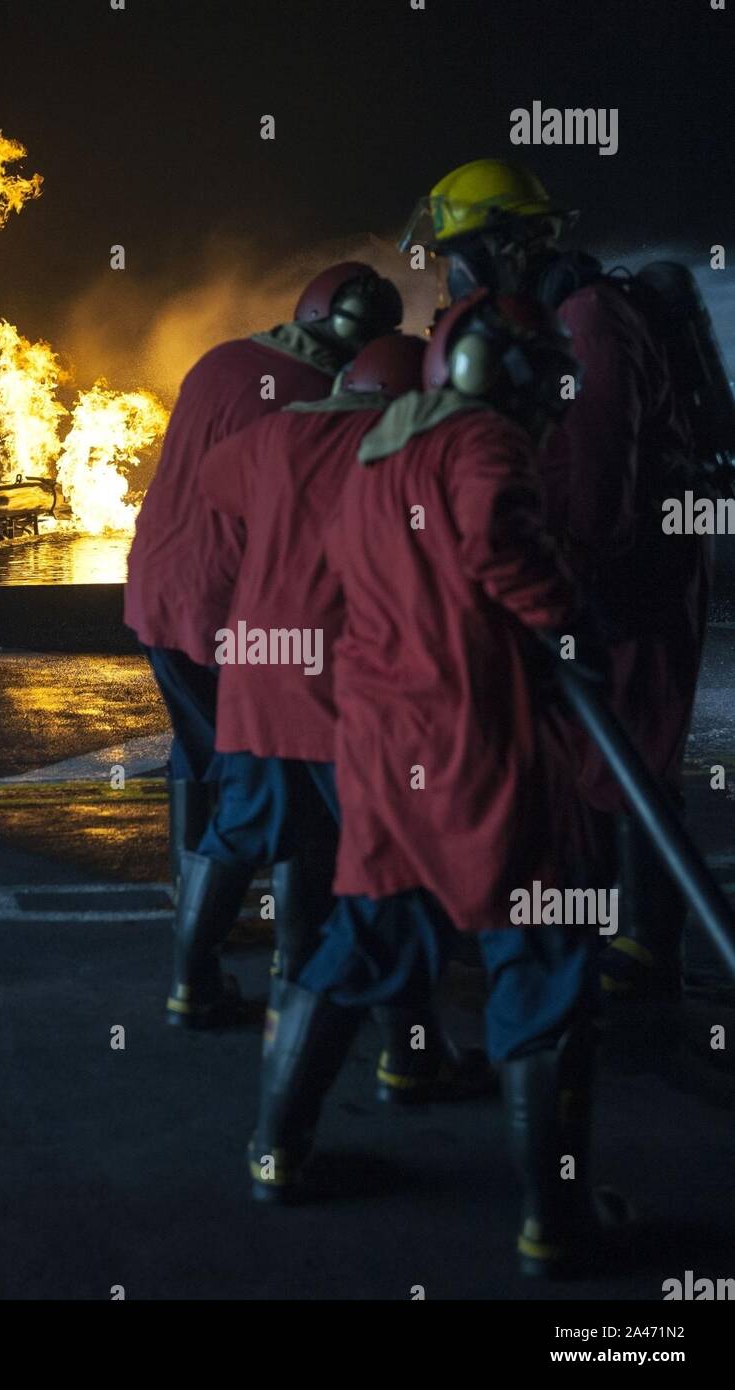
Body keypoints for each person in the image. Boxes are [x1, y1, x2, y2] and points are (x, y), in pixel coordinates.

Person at [250, 290, 619, 1279]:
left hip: (382, 741)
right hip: (475, 740)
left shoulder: (377, 451)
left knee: (366, 931)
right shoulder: (481, 445)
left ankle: (275, 1155)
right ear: (485, 366)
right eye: (534, 366)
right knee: (540, 954)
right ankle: (555, 1221)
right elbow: (497, 543)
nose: (545, 388)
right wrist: (565, 619)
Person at [408, 159, 712, 998]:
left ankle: (649, 946)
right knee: (585, 760)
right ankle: (592, 928)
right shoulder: (551, 314)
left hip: (634, 573)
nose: (452, 272)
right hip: (593, 570)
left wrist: (554, 573)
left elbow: (598, 488)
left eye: (459, 251)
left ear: (512, 240)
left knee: (630, 761)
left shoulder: (588, 320)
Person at [198, 332, 484, 1095]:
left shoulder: (277, 430)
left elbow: (215, 485)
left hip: (258, 677)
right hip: (341, 693)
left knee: (252, 831)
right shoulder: (407, 450)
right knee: (388, 872)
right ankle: (409, 1055)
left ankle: (194, 983)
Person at [124, 262, 404, 1024]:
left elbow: (213, 481)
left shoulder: (221, 359)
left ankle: (198, 929)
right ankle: (287, 954)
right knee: (272, 789)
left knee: (201, 758)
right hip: (230, 611)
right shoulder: (321, 406)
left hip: (158, 587)